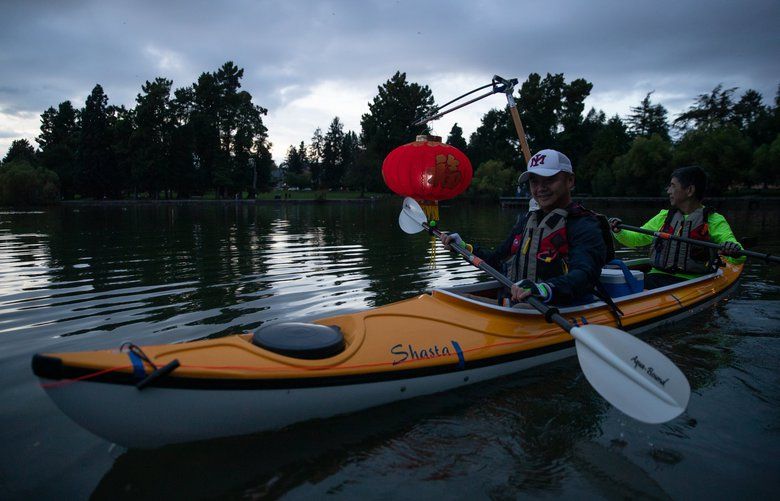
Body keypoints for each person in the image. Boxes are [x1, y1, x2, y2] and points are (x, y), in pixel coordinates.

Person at [441, 149, 609, 306]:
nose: (540, 189)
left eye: (549, 180)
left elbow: (585, 275)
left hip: (559, 307)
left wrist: (544, 288)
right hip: (518, 305)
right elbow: (496, 261)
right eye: (534, 182)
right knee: (447, 300)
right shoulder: (528, 221)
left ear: (570, 181)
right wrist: (464, 247)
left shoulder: (584, 224)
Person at [608, 166, 744, 289]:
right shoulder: (664, 217)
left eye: (673, 186)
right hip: (656, 277)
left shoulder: (713, 220)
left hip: (692, 282)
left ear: (689, 190)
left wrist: (733, 250)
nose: (668, 191)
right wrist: (618, 230)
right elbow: (635, 239)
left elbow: (737, 255)